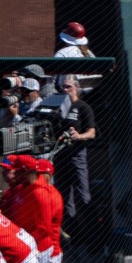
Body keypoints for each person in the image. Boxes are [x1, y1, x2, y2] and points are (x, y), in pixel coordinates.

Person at [54, 74, 97, 225]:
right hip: (60, 154)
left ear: (77, 88)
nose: (65, 90)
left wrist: (78, 136)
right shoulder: (57, 106)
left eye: (68, 87)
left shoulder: (83, 107)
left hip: (76, 154)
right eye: (62, 87)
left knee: (82, 192)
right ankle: (70, 230)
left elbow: (92, 132)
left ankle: (92, 230)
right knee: (63, 194)